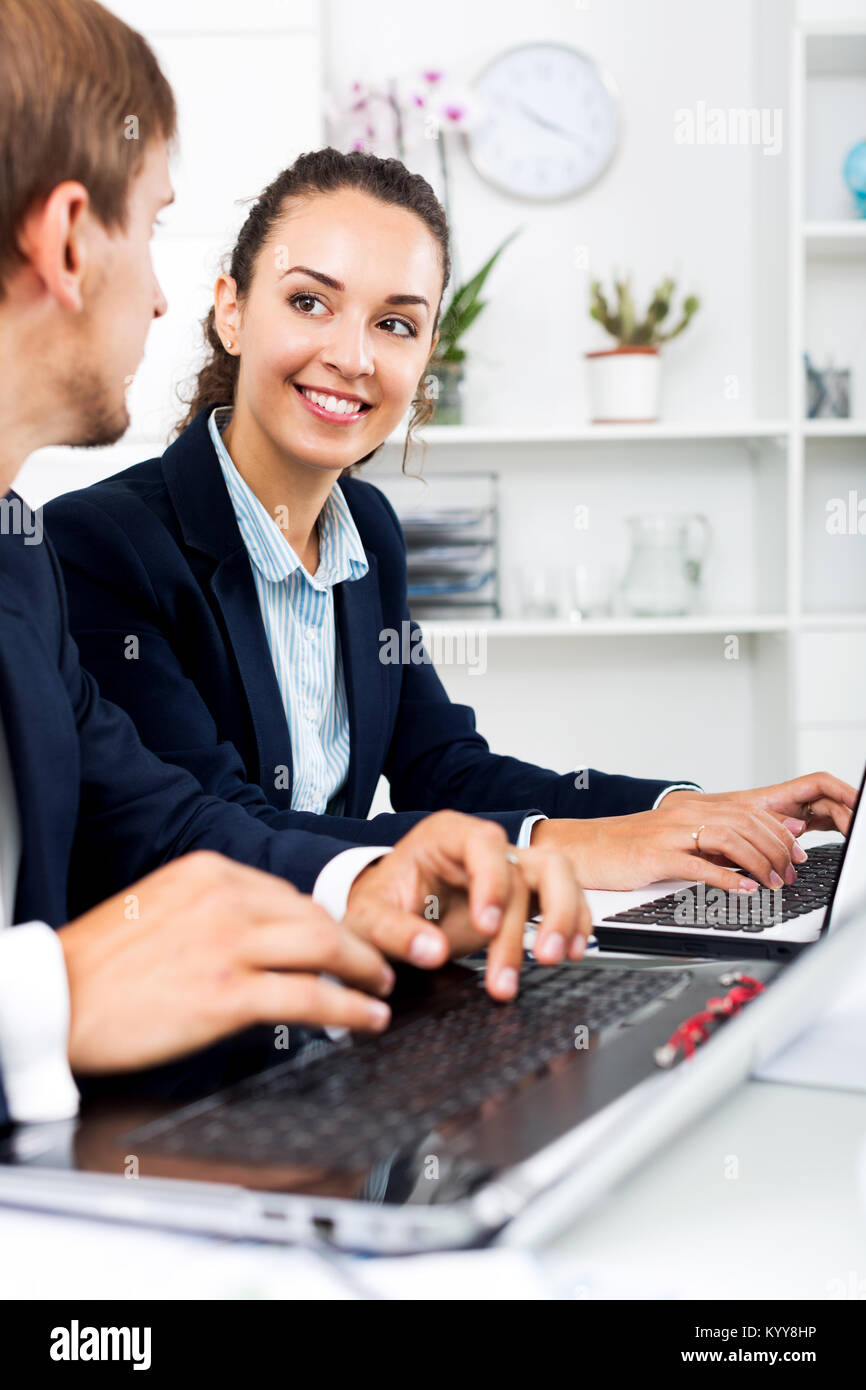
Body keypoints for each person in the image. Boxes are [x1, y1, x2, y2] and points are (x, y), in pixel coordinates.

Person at [0, 0, 590, 1134]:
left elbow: (166, 820)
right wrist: (49, 1002)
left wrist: (376, 882)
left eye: (398, 324)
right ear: (72, 237)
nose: (163, 295)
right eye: (153, 226)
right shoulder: (86, 550)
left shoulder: (14, 558)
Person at [45, 148, 857, 911]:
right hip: (201, 1028)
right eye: (309, 302)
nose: (353, 356)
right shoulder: (100, 547)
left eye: (395, 324)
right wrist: (562, 851)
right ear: (232, 311)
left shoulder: (368, 528)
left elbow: (443, 767)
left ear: (428, 350)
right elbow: (221, 835)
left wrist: (684, 811)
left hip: (350, 987)